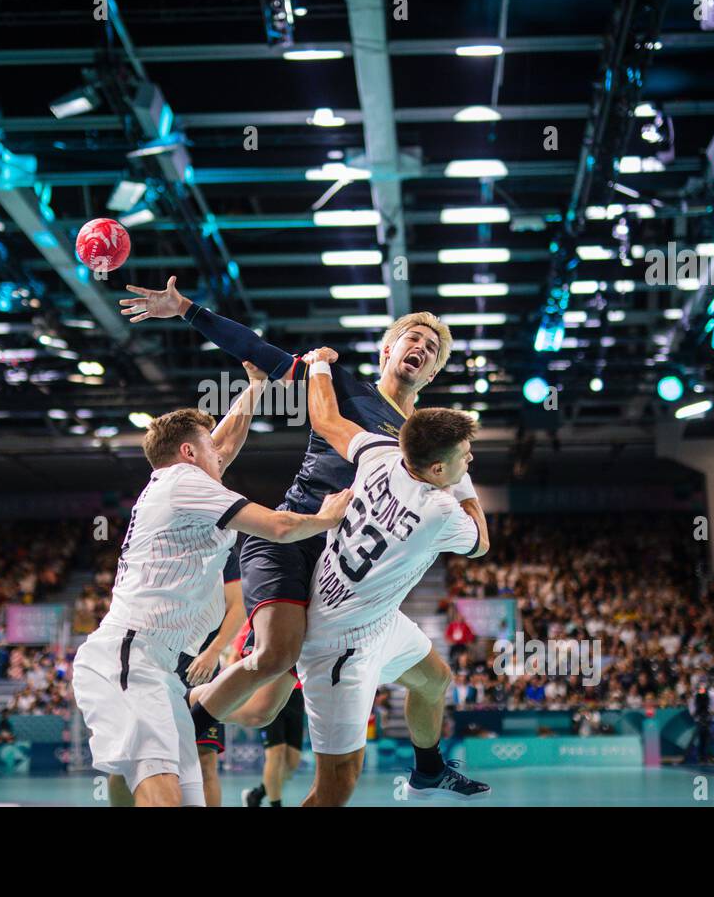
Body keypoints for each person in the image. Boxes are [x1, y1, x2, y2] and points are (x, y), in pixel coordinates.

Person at [119, 278, 488, 745]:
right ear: (388, 350)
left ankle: (185, 703)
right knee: (275, 655)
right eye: (413, 338)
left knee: (258, 711)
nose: (421, 347)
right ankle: (166, 730)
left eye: (432, 348)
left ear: (432, 373)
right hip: (288, 542)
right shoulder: (340, 387)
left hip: (340, 572)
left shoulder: (427, 439)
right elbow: (256, 349)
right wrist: (187, 310)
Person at [71, 368, 351, 807]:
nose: (219, 454)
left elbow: (223, 443)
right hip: (132, 655)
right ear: (187, 452)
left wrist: (256, 387)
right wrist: (328, 518)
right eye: (207, 447)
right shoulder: (184, 483)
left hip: (161, 667)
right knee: (161, 790)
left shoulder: (179, 481)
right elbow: (277, 526)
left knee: (184, 794)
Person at [292, 347, 491, 805]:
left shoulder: (379, 453)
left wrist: (319, 366)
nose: (471, 460)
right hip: (339, 644)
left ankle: (428, 769)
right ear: (438, 469)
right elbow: (481, 541)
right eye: (465, 456)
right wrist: (461, 484)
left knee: (435, 679)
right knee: (336, 786)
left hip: (373, 616)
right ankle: (206, 708)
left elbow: (326, 421)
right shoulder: (440, 510)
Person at [109, 538, 248, 807]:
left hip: (202, 668)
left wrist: (213, 651)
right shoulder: (153, 548)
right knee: (131, 760)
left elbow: (239, 606)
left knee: (204, 758)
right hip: (152, 664)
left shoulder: (224, 554)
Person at [232, 618, 305, 808]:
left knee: (291, 763)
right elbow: (235, 659)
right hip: (266, 691)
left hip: (295, 693)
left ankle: (256, 794)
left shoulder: (294, 618)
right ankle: (275, 804)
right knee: (276, 753)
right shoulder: (251, 625)